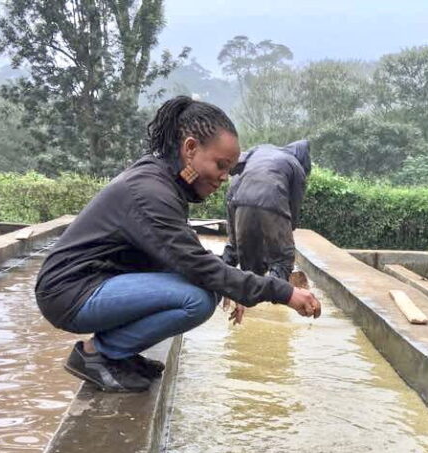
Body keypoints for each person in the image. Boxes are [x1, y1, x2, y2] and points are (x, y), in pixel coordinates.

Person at [35, 97, 321, 393]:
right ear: (190, 148)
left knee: (206, 286)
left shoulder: (164, 181)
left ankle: (121, 354)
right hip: (71, 293)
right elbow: (199, 267)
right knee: (197, 300)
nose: (225, 178)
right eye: (221, 165)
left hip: (95, 282)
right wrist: (284, 292)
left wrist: (237, 286)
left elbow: (189, 256)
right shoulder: (151, 192)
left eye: (229, 169)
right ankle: (98, 354)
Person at [222, 140, 311, 283]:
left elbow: (236, 175)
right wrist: (289, 228)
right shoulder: (295, 165)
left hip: (239, 201)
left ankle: (219, 283)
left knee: (245, 257)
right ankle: (274, 293)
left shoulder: (260, 151)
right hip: (273, 204)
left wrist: (233, 221)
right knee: (282, 260)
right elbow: (295, 203)